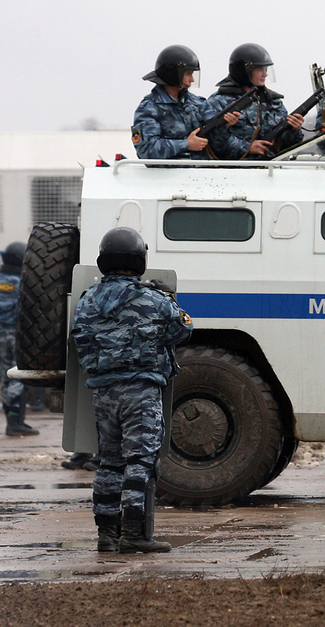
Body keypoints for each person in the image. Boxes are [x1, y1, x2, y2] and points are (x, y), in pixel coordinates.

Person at [70, 227, 193, 553]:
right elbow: (182, 331)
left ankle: (106, 535)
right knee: (140, 461)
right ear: (139, 260)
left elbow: (79, 343)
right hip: (141, 391)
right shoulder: (153, 300)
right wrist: (171, 299)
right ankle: (135, 534)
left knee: (108, 463)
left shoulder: (86, 303)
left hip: (103, 393)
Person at [203, 43, 304, 160]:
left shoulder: (273, 102)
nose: (265, 74)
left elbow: (285, 146)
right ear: (244, 71)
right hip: (232, 173)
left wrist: (294, 130)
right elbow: (211, 143)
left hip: (271, 171)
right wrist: (247, 148)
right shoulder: (218, 102)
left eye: (266, 69)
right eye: (260, 69)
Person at [132, 45, 217, 160]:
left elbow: (218, 142)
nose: (192, 79)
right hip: (169, 176)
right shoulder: (149, 108)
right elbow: (146, 150)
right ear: (172, 74)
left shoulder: (198, 103)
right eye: (188, 74)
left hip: (203, 174)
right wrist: (186, 144)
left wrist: (225, 125)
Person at [0, 241, 36, 437]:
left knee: (5, 378)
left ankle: (11, 419)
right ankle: (15, 422)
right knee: (17, 375)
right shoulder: (21, 282)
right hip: (14, 335)